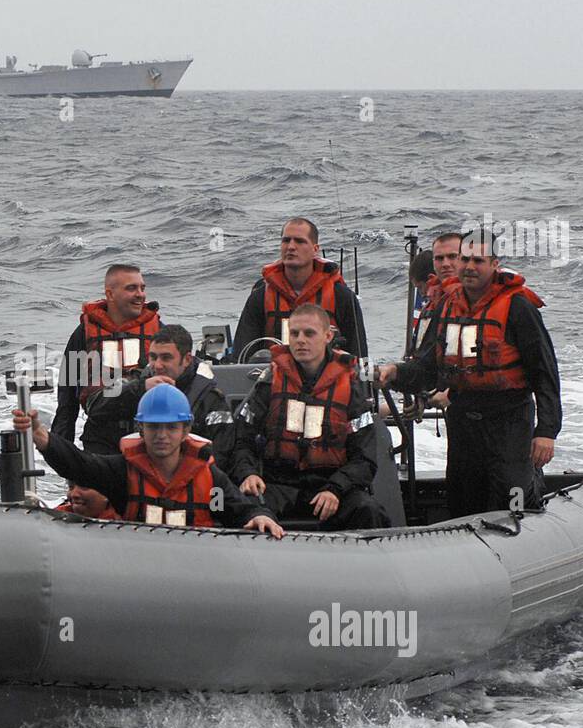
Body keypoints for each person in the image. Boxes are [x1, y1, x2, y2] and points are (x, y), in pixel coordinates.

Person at [376, 228, 561, 517]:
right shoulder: (446, 306)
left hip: (509, 422)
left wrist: (546, 432)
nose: (469, 267)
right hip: (463, 421)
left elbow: (545, 372)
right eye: (464, 260)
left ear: (494, 265)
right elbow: (426, 368)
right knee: (463, 501)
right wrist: (393, 373)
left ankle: (533, 496)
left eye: (478, 261)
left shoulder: (518, 307)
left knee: (512, 498)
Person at [14, 383, 284, 537]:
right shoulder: (122, 474)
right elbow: (80, 465)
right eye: (154, 427)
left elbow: (239, 509)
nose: (162, 436)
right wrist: (41, 436)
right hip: (140, 574)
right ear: (141, 429)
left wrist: (260, 515)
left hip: (199, 571)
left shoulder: (211, 482)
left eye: (170, 428)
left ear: (186, 430)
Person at [232, 303, 391, 530]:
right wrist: (247, 473)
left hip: (330, 486)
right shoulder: (270, 381)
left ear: (327, 336)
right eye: (294, 333)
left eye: (309, 333)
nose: (300, 340)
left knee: (368, 510)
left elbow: (364, 458)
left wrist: (336, 488)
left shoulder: (350, 387)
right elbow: (241, 438)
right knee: (239, 508)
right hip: (277, 484)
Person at [79, 324, 235, 460]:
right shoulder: (137, 382)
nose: (158, 365)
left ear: (187, 359)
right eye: (153, 357)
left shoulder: (210, 399)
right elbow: (95, 406)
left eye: (166, 358)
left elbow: (222, 452)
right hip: (134, 475)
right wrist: (139, 390)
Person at [51, 264, 162, 445]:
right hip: (100, 437)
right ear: (110, 294)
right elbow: (67, 397)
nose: (140, 294)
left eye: (142, 288)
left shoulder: (159, 331)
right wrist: (60, 449)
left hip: (148, 437)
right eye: (131, 288)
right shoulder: (83, 335)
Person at [232, 217, 368, 363]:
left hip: (327, 382)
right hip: (274, 380)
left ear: (315, 249)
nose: (291, 247)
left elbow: (359, 357)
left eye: (299, 241)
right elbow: (241, 354)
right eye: (286, 240)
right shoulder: (260, 296)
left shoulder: (341, 296)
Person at [54, 481, 119, 520]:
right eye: (71, 487)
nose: (74, 494)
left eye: (84, 486)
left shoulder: (124, 525)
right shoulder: (56, 516)